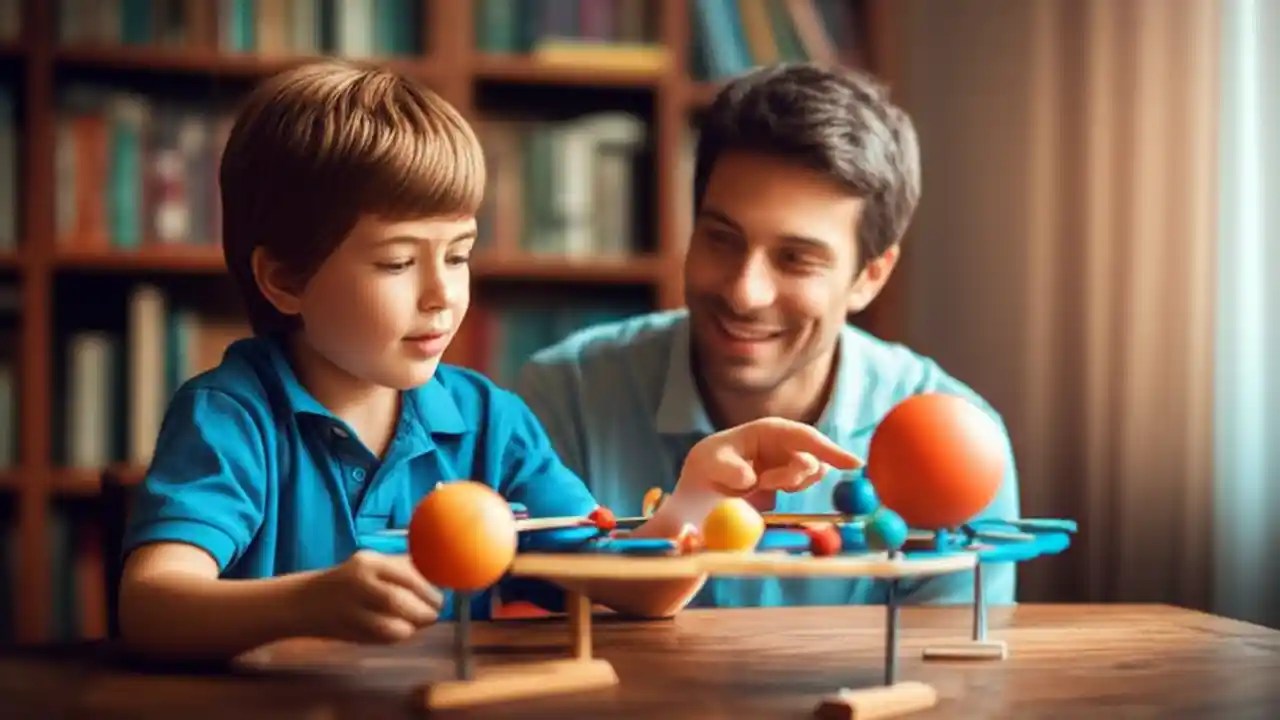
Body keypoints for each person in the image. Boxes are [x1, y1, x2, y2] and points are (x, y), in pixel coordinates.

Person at [115, 61, 861, 661]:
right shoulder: (231, 417)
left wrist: (698, 495)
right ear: (284, 278)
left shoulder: (489, 424)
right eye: (398, 262)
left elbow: (634, 591)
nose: (443, 295)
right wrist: (306, 604)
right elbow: (150, 607)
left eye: (459, 255)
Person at [516, 63, 1022, 609]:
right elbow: (528, 630)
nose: (744, 293)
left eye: (796, 259)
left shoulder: (960, 450)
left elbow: (947, 660)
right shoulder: (566, 397)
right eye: (721, 238)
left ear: (870, 276)